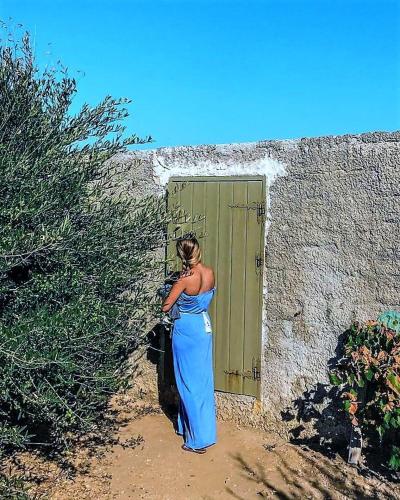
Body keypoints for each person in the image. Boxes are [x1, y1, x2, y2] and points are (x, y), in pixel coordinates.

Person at [160, 235, 217, 454]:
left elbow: (166, 306)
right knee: (202, 381)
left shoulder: (184, 280)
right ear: (197, 251)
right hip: (203, 326)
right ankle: (190, 427)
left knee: (187, 382)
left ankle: (197, 440)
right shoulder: (210, 273)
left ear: (181, 254)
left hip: (186, 330)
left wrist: (168, 290)